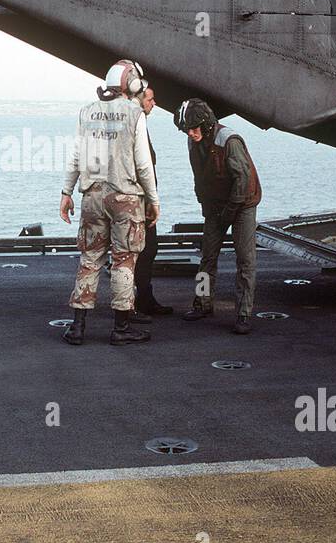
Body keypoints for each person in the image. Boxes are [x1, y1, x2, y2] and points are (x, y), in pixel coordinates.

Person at [59, 59, 160, 346]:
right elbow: (143, 165)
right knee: (124, 260)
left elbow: (76, 156)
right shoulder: (134, 112)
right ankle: (121, 328)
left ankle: (78, 328)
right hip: (125, 198)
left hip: (92, 196)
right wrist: (153, 200)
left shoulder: (87, 111)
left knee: (89, 259)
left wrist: (66, 192)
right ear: (133, 83)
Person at [174, 99, 262, 335]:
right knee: (207, 257)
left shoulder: (229, 141)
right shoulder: (194, 140)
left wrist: (229, 213)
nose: (190, 134)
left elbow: (242, 182)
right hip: (216, 204)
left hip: (242, 203)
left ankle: (243, 314)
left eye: (194, 129)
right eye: (187, 130)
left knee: (245, 260)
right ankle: (202, 304)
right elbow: (199, 177)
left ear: (206, 124)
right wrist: (206, 206)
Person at [131, 86, 173, 321]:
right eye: (150, 99)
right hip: (139, 201)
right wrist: (150, 199)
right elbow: (143, 166)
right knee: (140, 251)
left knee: (147, 249)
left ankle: (143, 300)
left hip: (141, 199)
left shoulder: (137, 123)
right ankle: (136, 304)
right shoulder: (136, 124)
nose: (154, 103)